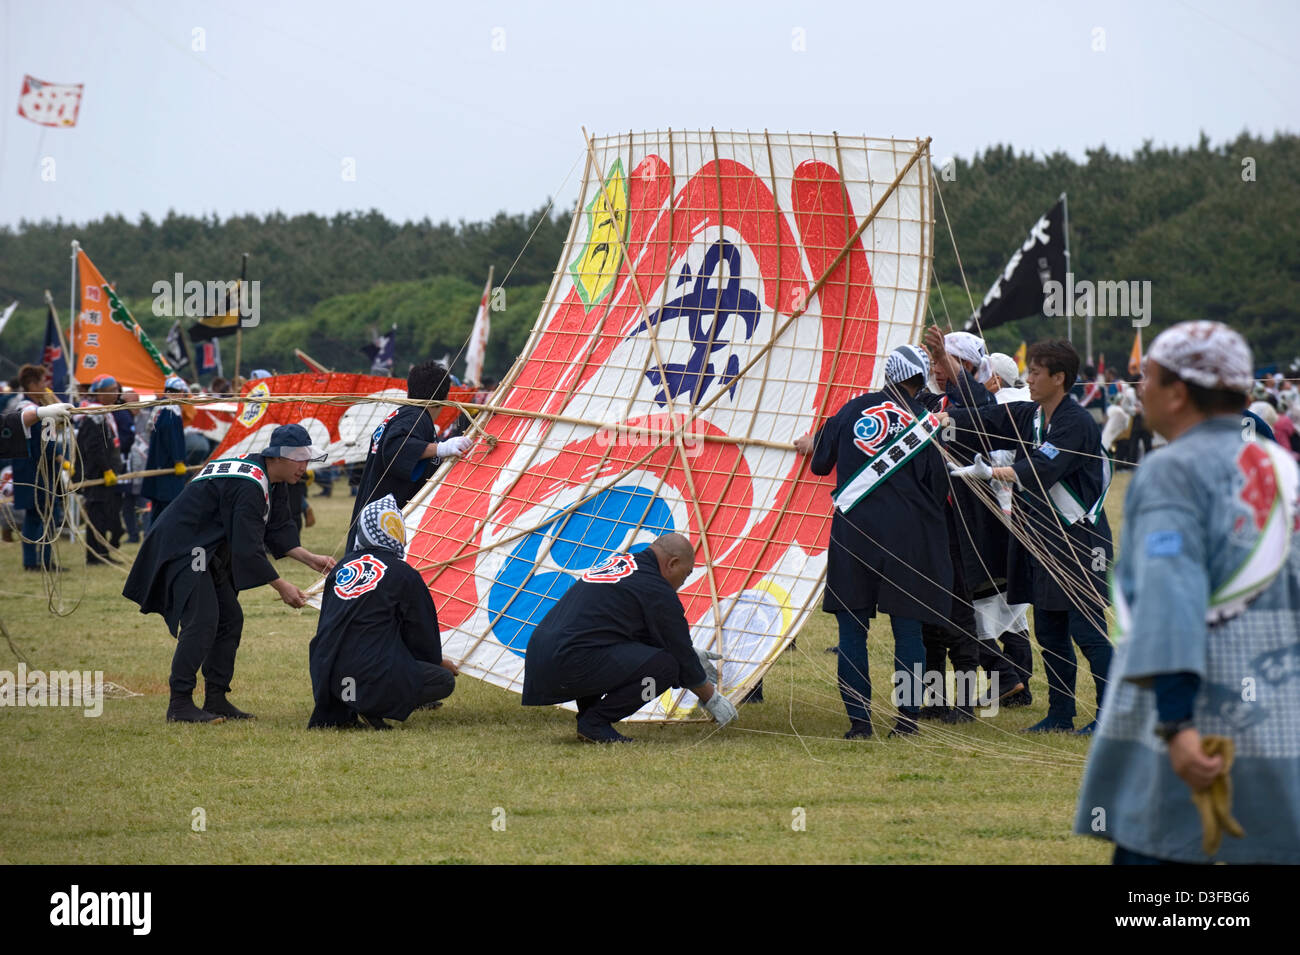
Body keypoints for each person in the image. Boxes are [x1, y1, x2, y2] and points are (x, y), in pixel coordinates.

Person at [1074, 321, 1300, 864]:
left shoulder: (1172, 470)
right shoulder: (1283, 468)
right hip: (1277, 707)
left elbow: (1168, 599)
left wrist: (1176, 721)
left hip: (1196, 713)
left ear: (1177, 392)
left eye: (1148, 376)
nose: (1140, 388)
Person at [943, 339, 1112, 734]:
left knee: (1086, 630)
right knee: (1049, 629)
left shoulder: (1075, 422)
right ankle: (1060, 713)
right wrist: (944, 420)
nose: (1030, 378)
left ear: (1060, 378)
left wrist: (991, 474)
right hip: (1044, 535)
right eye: (1030, 371)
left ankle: (1111, 716)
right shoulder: (1032, 414)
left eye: (1037, 372)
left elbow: (1041, 468)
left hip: (1080, 538)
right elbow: (986, 419)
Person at [122, 423, 337, 723]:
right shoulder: (249, 484)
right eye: (298, 458)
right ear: (276, 456)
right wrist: (281, 586)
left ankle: (216, 698)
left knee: (229, 617)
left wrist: (310, 559)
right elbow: (247, 548)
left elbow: (276, 530)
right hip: (183, 548)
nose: (304, 466)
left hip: (204, 551)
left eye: (306, 458)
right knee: (203, 619)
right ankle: (180, 703)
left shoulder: (272, 480)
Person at [794, 343, 951, 739]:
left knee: (851, 632)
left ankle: (860, 724)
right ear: (918, 380)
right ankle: (907, 722)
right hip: (910, 538)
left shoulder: (849, 410)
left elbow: (819, 464)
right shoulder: (927, 421)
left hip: (854, 533)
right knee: (909, 632)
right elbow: (937, 489)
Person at [522, 533, 737, 743]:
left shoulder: (618, 565)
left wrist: (688, 654)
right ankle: (596, 721)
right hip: (569, 661)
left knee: (610, 647)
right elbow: (679, 654)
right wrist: (711, 698)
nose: (683, 581)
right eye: (687, 573)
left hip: (541, 658)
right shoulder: (656, 588)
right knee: (666, 669)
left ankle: (590, 714)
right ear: (672, 563)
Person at [308, 494, 459, 729]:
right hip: (372, 674)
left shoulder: (341, 568)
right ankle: (372, 705)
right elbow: (421, 632)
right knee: (443, 681)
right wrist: (436, 662)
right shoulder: (403, 574)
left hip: (328, 673)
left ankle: (349, 703)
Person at [350, 360, 472, 525]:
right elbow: (395, 447)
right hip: (382, 520)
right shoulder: (415, 417)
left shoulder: (405, 414)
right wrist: (442, 448)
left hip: (375, 513)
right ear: (445, 397)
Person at [9, 365, 71, 571]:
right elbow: (43, 442)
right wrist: (60, 456)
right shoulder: (30, 409)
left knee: (43, 516)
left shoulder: (39, 407)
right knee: (41, 516)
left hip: (40, 468)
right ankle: (36, 561)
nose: (46, 386)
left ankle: (40, 561)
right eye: (42, 382)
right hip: (35, 469)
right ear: (33, 384)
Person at [76, 375, 126, 565]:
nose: (116, 393)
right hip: (96, 475)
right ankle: (95, 555)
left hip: (108, 475)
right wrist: (106, 469)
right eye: (111, 390)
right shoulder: (94, 415)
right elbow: (93, 448)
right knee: (97, 516)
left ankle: (103, 552)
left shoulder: (105, 413)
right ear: (100, 393)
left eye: (116, 389)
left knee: (107, 515)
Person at [141, 376, 190, 529]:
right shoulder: (171, 411)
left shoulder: (160, 409)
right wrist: (178, 460)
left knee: (157, 512)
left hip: (157, 466)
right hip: (168, 470)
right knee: (168, 512)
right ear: (180, 393)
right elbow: (172, 438)